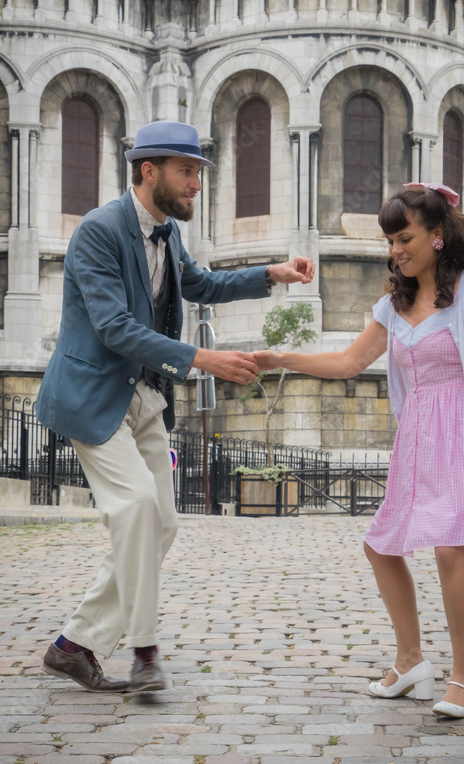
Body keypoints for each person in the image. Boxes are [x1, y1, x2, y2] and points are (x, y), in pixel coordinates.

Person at [255, 182, 464, 719]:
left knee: (448, 547)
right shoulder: (393, 305)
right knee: (382, 545)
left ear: (438, 235)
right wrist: (282, 359)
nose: (395, 249)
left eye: (404, 237)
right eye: (390, 240)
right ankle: (411, 660)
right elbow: (348, 363)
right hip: (417, 436)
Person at [36, 120, 315, 694]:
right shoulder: (99, 232)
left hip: (146, 398)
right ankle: (144, 654)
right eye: (187, 171)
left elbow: (201, 285)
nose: (196, 184)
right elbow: (113, 327)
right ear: (148, 171)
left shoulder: (167, 234)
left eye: (199, 173)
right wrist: (203, 359)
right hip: (94, 397)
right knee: (137, 508)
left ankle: (72, 645)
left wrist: (272, 274)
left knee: (160, 526)